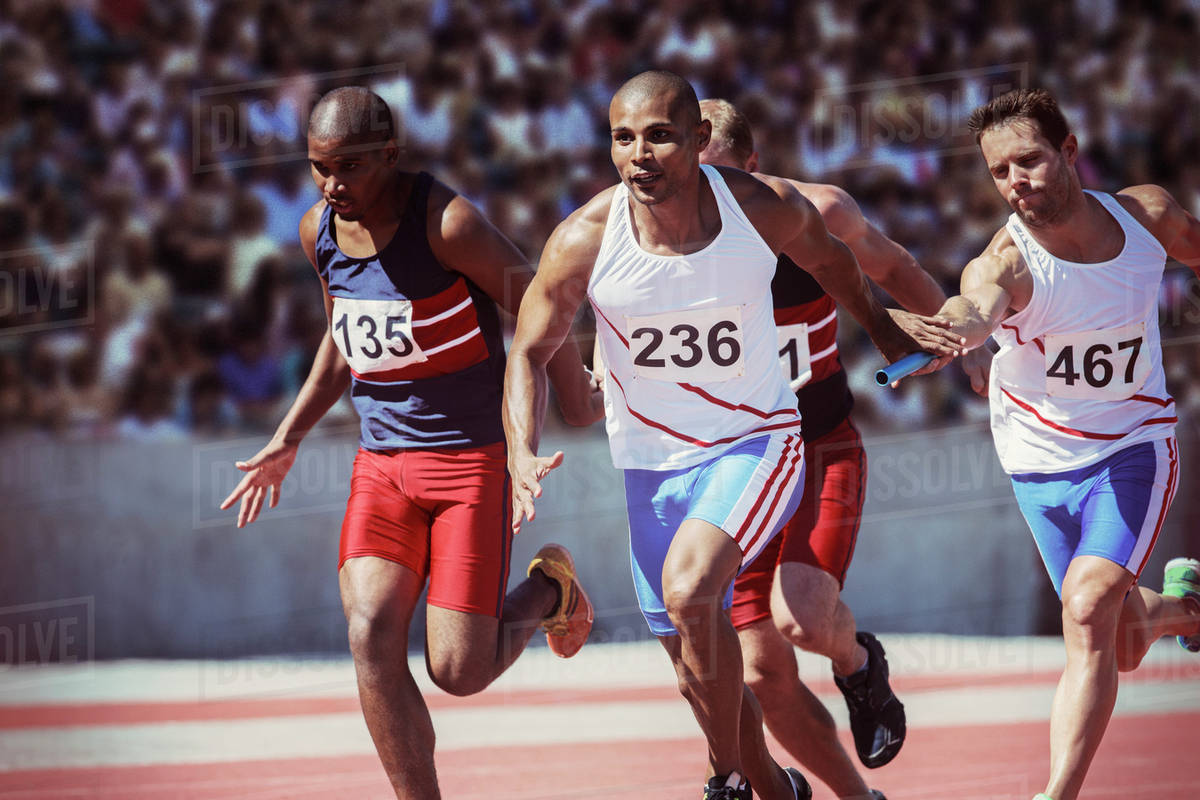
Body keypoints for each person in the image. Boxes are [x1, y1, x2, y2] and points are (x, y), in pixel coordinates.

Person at [503, 70, 964, 800]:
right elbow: (534, 346)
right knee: (729, 670)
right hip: (658, 465)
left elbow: (868, 269)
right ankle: (815, 792)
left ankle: (748, 758)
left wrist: (901, 328)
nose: (642, 157)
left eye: (660, 138)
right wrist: (524, 445)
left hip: (785, 441)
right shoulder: (589, 238)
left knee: (774, 613)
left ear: (709, 149)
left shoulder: (787, 212)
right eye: (624, 139)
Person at [219, 87, 601, 800]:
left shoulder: (449, 225)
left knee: (459, 670)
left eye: (350, 167)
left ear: (390, 156)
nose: (333, 186)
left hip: (469, 462)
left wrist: (565, 412)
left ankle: (551, 591)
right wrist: (286, 437)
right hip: (383, 464)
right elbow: (342, 345)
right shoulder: (319, 232)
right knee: (370, 632)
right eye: (318, 167)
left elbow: (539, 307)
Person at [697, 97, 988, 800]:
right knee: (761, 673)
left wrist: (966, 344)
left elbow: (893, 267)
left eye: (723, 184)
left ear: (754, 169)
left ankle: (858, 663)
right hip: (737, 465)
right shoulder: (658, 232)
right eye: (693, 188)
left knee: (799, 617)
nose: (708, 209)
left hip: (820, 447)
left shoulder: (819, 213)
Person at [919, 88, 1200, 800]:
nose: (1017, 182)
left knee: (1085, 608)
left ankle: (1057, 795)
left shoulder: (1147, 218)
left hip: (1135, 446)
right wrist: (958, 332)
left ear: (1068, 152)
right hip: (1039, 464)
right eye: (1000, 172)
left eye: (1030, 161)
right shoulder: (1006, 264)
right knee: (1122, 639)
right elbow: (973, 306)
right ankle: (1186, 610)